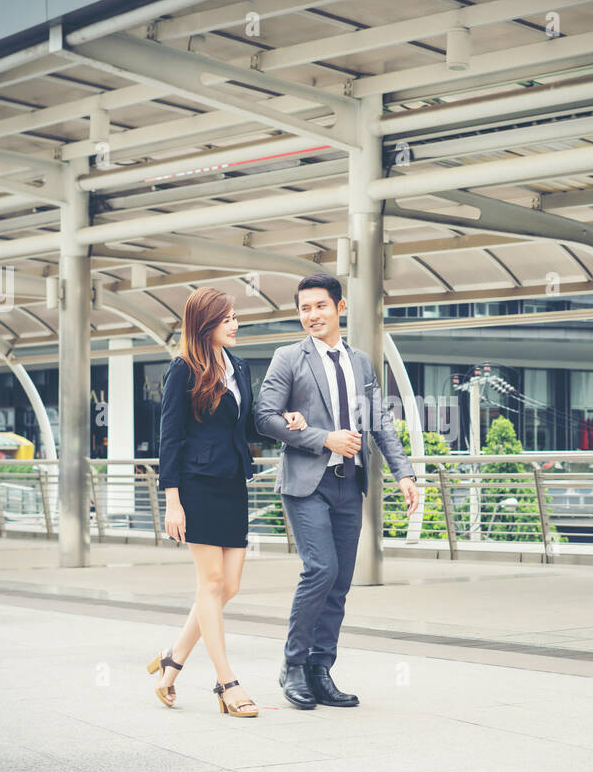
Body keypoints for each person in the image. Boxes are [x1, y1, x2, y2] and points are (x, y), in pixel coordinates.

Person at [254, 273, 421, 709]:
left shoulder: (361, 362)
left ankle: (319, 669)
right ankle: (292, 666)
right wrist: (321, 438)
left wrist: (404, 472)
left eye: (320, 306)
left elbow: (380, 419)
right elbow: (265, 417)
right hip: (307, 483)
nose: (312, 315)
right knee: (320, 570)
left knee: (340, 582)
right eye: (304, 308)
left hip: (351, 483)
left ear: (339, 307)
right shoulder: (287, 357)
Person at [147, 286, 306, 717]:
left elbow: (244, 428)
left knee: (227, 586)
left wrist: (286, 417)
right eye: (227, 318)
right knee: (211, 583)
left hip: (233, 482)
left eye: (235, 316)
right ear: (205, 324)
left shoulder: (237, 365)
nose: (235, 324)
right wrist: (172, 502)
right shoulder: (182, 369)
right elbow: (171, 439)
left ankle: (171, 661)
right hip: (197, 486)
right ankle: (226, 683)